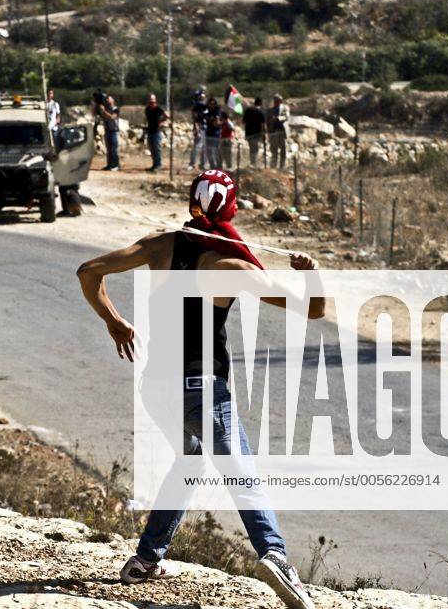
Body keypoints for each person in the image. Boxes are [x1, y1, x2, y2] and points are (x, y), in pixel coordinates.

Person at [76, 171, 322, 609]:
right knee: (241, 471)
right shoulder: (234, 267)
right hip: (202, 388)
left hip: (155, 385)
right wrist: (310, 275)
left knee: (190, 462)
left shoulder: (160, 245)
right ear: (232, 210)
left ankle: (147, 558)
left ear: (192, 203)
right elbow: (316, 310)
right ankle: (275, 555)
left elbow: (88, 271)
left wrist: (114, 321)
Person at [144, 94, 168, 172]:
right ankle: (154, 165)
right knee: (152, 149)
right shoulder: (147, 109)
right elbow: (147, 119)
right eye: (150, 99)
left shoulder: (158, 108)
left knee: (157, 149)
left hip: (156, 131)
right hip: (149, 130)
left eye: (152, 99)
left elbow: (167, 115)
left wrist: (161, 122)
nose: (151, 101)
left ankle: (158, 165)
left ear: (155, 100)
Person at [187, 88, 207, 171]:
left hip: (206, 128)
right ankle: (192, 163)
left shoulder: (205, 105)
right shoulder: (197, 105)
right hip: (200, 127)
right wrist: (196, 128)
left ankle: (202, 164)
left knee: (205, 147)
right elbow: (195, 118)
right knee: (197, 146)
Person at [267, 94, 290, 169]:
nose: (276, 102)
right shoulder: (270, 110)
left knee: (283, 150)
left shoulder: (285, 108)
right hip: (273, 132)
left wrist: (278, 118)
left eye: (277, 101)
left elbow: (286, 117)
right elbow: (268, 121)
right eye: (275, 101)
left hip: (282, 132)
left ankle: (282, 166)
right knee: (274, 150)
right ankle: (273, 166)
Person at [242, 97, 266, 167]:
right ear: (260, 103)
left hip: (248, 133)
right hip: (256, 134)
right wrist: (263, 134)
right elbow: (263, 125)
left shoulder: (248, 110)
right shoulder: (260, 112)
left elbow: (243, 121)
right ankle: (253, 163)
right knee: (255, 149)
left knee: (251, 148)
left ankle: (252, 163)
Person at [101, 94, 121, 171]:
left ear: (113, 100)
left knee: (114, 149)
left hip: (114, 131)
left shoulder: (116, 109)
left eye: (109, 99)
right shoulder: (106, 109)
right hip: (107, 130)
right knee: (108, 149)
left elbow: (112, 117)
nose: (107, 101)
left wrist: (104, 111)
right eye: (106, 99)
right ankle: (109, 164)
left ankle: (116, 165)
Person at [203, 97, 222, 170]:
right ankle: (212, 166)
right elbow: (203, 117)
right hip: (208, 133)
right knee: (209, 151)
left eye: (213, 103)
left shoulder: (217, 110)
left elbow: (217, 122)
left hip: (216, 134)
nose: (211, 105)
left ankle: (218, 166)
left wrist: (215, 120)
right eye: (210, 103)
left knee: (216, 150)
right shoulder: (207, 110)